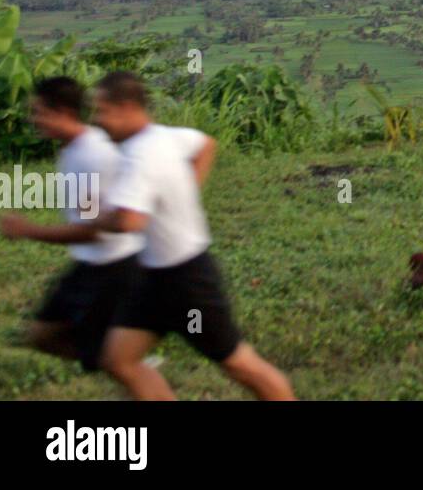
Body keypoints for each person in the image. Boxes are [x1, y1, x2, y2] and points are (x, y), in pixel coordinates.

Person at [89, 71, 296, 400]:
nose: (98, 121)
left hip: (187, 281)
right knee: (118, 360)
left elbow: (128, 221)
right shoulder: (164, 136)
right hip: (153, 278)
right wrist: (186, 193)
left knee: (239, 365)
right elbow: (205, 145)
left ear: (127, 106)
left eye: (102, 111)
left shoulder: (140, 156)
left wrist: (95, 217)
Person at [0, 77, 143, 374]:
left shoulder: (90, 156)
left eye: (38, 112)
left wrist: (28, 230)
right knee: (42, 335)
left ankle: (130, 368)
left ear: (62, 111)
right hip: (89, 264)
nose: (33, 119)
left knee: (103, 354)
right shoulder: (74, 148)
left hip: (112, 268)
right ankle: (122, 364)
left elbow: (89, 231)